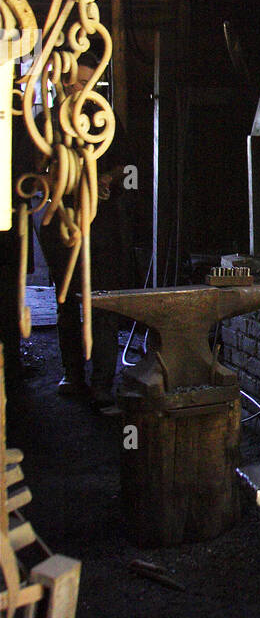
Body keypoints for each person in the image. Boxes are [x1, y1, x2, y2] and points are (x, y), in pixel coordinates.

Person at [38, 63, 135, 414]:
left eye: (85, 81)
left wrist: (104, 180)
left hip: (100, 225)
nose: (78, 88)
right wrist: (51, 180)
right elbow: (33, 172)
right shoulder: (45, 123)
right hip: (59, 222)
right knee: (65, 300)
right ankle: (73, 375)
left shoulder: (105, 118)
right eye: (71, 81)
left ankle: (102, 383)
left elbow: (126, 166)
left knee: (101, 302)